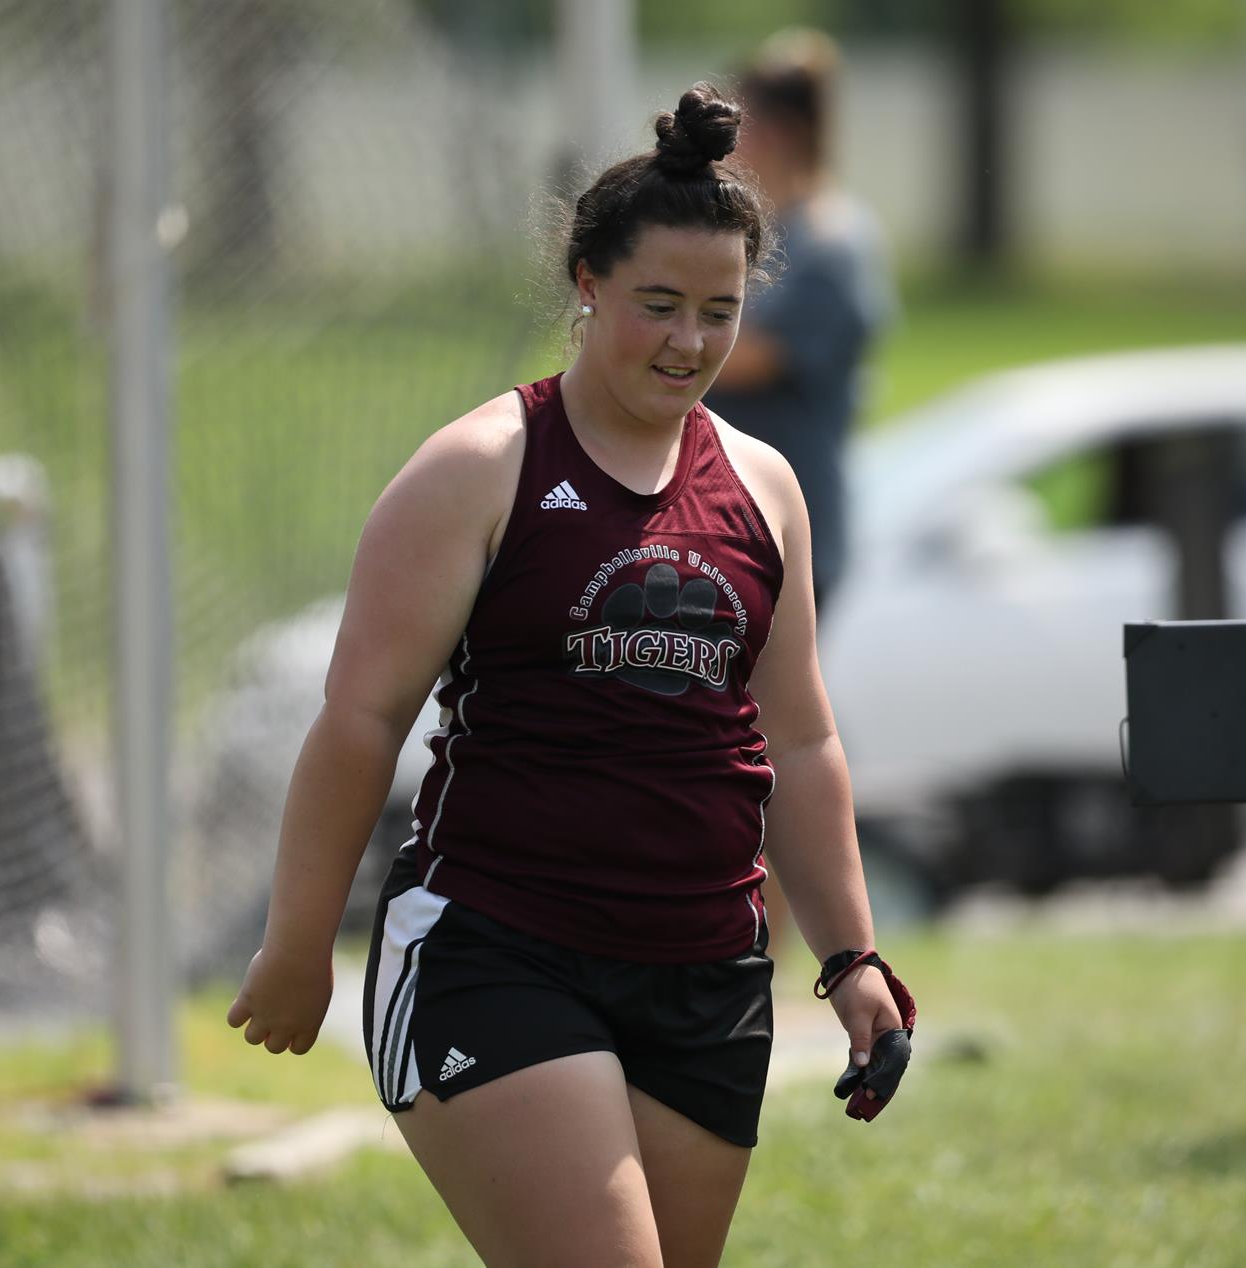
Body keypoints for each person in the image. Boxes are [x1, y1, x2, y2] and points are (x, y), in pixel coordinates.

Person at [226, 83, 915, 1268]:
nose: (688, 343)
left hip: (704, 971)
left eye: (719, 312)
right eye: (658, 305)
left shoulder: (764, 488)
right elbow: (360, 718)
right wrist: (297, 943)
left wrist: (850, 957)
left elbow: (799, 742)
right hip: (498, 948)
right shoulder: (478, 468)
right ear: (587, 282)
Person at [703, 29, 897, 614]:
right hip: (729, 519)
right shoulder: (755, 230)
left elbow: (748, 361)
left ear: (780, 130)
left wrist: (638, 339)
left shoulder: (832, 245)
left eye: (740, 122)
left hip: (788, 529)